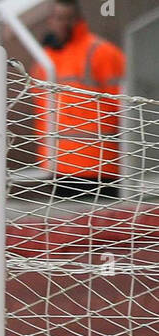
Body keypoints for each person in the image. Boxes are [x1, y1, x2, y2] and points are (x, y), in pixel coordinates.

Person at [32, 0, 126, 196]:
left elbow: (126, 107)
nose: (63, 24)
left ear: (78, 20)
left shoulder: (101, 52)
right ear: (50, 21)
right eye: (59, 18)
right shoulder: (45, 60)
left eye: (68, 19)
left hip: (99, 167)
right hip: (58, 168)